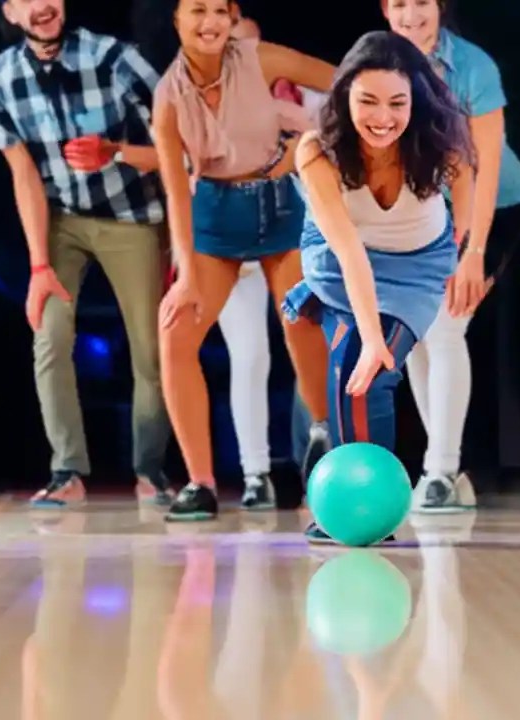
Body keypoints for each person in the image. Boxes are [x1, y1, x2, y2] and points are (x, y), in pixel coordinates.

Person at [0, 0, 174, 508]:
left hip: (133, 216)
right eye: (27, 1)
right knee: (50, 335)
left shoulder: (115, 59)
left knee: (152, 350)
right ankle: (67, 470)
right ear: (11, 12)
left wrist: (116, 151)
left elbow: (179, 151)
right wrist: (39, 264)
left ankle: (151, 469)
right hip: (60, 220)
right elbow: (23, 176)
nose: (43, 7)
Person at [282, 30, 475, 543]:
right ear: (344, 96)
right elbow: (346, 249)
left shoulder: (439, 142)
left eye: (397, 102)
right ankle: (349, 507)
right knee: (354, 366)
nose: (382, 116)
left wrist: (465, 246)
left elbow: (468, 181)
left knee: (366, 376)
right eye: (367, 101)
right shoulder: (316, 150)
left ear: (416, 100)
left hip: (416, 268)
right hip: (340, 257)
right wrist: (368, 335)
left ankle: (369, 511)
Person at [152, 0, 336, 521]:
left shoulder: (262, 57)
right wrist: (186, 275)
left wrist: (306, 140)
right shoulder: (168, 97)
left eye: (218, 10)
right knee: (175, 334)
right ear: (177, 20)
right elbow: (174, 191)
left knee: (300, 317)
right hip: (215, 212)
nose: (209, 22)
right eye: (196, 11)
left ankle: (325, 437)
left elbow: (349, 87)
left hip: (279, 205)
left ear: (232, 16)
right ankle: (200, 483)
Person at [381, 0, 520, 513]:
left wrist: (475, 251)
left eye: (421, 2)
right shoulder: (379, 63)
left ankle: (440, 471)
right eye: (399, 3)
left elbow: (485, 166)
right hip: (425, 211)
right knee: (421, 339)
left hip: (496, 207)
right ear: (385, 10)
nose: (411, 15)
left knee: (445, 328)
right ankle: (448, 471)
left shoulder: (473, 66)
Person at [214, 7, 322, 510]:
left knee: (309, 348)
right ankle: (256, 474)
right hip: (231, 245)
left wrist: (300, 127)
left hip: (294, 238)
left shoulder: (311, 104)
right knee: (250, 356)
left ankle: (319, 468)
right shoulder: (204, 101)